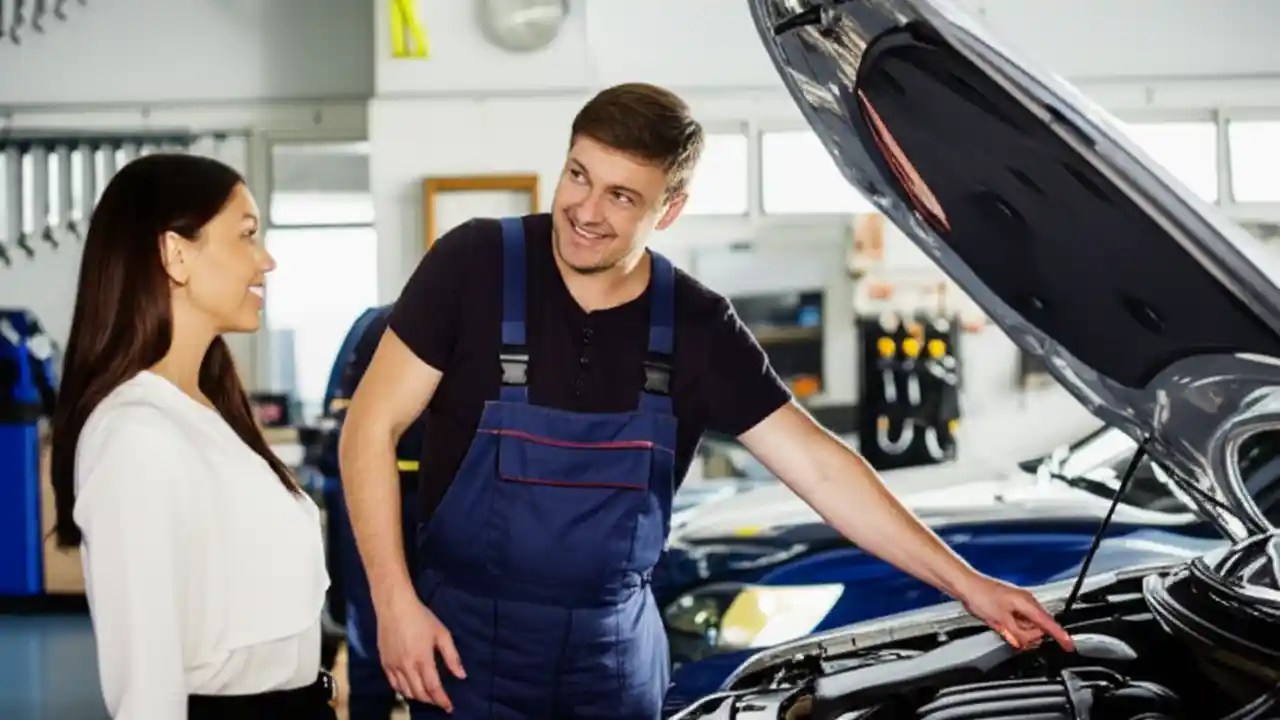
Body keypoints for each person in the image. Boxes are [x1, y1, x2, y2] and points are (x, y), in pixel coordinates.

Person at [339, 82, 1074, 718]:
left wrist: (968, 585)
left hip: (612, 659)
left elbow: (820, 467)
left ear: (671, 208)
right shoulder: (475, 264)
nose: (586, 210)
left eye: (622, 195)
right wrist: (393, 603)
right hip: (467, 647)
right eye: (577, 176)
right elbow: (368, 429)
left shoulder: (694, 324)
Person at [48, 154, 335, 720]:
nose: (266, 260)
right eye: (247, 235)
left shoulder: (207, 411)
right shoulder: (134, 433)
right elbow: (145, 681)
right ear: (175, 253)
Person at [324, 305, 425, 720]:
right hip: (374, 498)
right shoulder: (378, 325)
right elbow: (342, 430)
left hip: (427, 499)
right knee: (373, 631)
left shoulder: (374, 323)